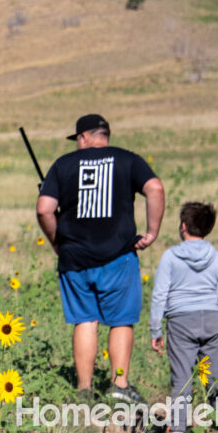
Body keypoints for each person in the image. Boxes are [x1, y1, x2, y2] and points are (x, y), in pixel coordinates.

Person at [36, 114, 164, 403]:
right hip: (118, 256)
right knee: (120, 321)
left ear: (83, 137)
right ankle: (119, 387)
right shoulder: (128, 159)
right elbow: (154, 188)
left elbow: (45, 209)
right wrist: (152, 232)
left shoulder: (63, 165)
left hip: (75, 259)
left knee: (85, 320)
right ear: (104, 135)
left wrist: (58, 242)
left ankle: (84, 390)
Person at [146, 202, 218, 433]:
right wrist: (211, 310)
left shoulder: (171, 256)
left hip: (181, 321)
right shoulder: (217, 257)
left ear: (183, 227)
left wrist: (155, 328)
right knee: (215, 376)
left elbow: (160, 294)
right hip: (210, 318)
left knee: (182, 376)